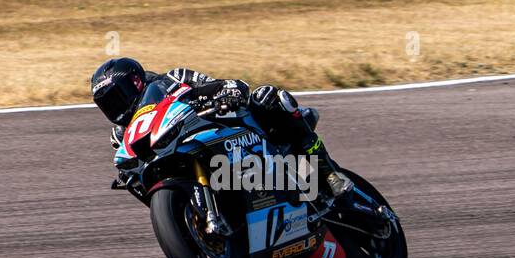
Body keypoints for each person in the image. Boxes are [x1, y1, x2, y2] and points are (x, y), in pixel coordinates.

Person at [89, 57, 351, 199]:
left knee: (269, 98)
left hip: (224, 126)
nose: (116, 108)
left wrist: (225, 91)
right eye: (108, 105)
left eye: (117, 96)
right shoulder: (122, 135)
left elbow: (216, 83)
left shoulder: (172, 79)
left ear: (135, 82)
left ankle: (327, 173)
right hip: (188, 163)